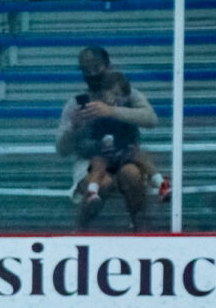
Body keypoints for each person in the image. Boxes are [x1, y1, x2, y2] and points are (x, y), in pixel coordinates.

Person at [56, 46, 159, 229]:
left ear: (108, 66)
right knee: (103, 182)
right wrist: (76, 128)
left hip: (125, 155)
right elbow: (61, 149)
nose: (92, 73)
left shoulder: (128, 94)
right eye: (86, 69)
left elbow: (151, 119)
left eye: (96, 67)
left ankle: (139, 226)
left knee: (132, 174)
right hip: (90, 159)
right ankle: (80, 229)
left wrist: (112, 111)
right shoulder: (77, 102)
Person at [73, 71, 171, 224]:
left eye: (119, 95)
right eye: (111, 94)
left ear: (126, 97)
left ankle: (161, 185)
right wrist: (86, 128)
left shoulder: (127, 111)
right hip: (104, 153)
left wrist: (116, 115)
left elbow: (137, 130)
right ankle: (93, 192)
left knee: (141, 157)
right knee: (98, 165)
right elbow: (92, 136)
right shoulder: (96, 113)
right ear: (102, 94)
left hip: (123, 152)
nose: (114, 98)